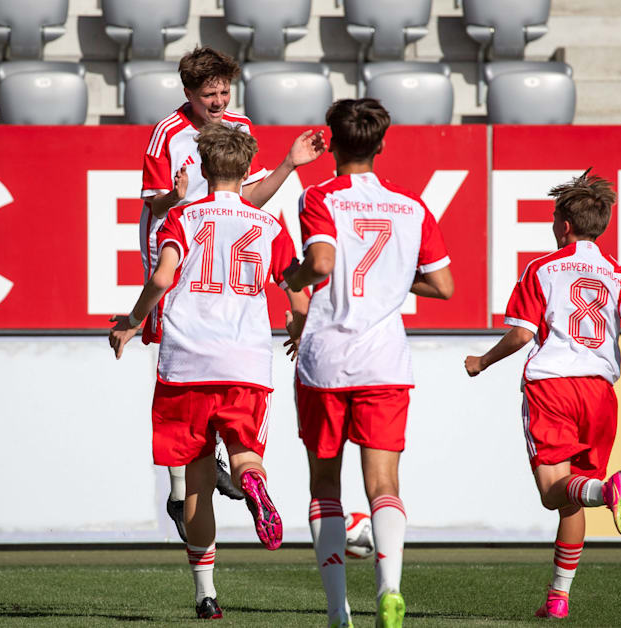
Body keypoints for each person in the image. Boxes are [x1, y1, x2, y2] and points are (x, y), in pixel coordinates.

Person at [112, 123, 310, 620]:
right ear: (247, 172)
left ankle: (206, 594)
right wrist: (300, 326)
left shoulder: (182, 217)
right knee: (245, 456)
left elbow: (162, 276)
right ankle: (254, 485)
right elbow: (296, 286)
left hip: (185, 364)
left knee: (196, 482)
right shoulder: (268, 226)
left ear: (202, 168)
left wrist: (132, 322)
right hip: (245, 364)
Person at [464, 170, 621, 620]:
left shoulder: (540, 269)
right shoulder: (620, 272)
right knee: (574, 497)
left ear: (563, 225)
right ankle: (558, 597)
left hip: (552, 386)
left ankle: (608, 487)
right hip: (600, 392)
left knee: (553, 493)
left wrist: (482, 361)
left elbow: (522, 336)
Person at [138, 45, 326, 541]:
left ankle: (184, 493)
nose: (219, 101)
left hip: (196, 263)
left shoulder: (239, 127)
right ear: (189, 94)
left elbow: (245, 197)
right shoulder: (165, 135)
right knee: (204, 370)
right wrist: (174, 197)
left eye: (224, 91)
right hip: (182, 257)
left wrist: (284, 166)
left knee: (182, 375)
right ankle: (220, 472)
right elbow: (155, 205)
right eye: (209, 94)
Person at [283, 98, 454, 628]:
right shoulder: (412, 205)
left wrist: (292, 278)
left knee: (325, 487)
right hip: (385, 363)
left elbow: (322, 262)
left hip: (326, 360)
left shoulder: (319, 196)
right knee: (384, 486)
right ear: (381, 145)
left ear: (331, 144)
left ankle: (338, 612)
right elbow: (443, 285)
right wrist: (390, 284)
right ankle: (391, 589)